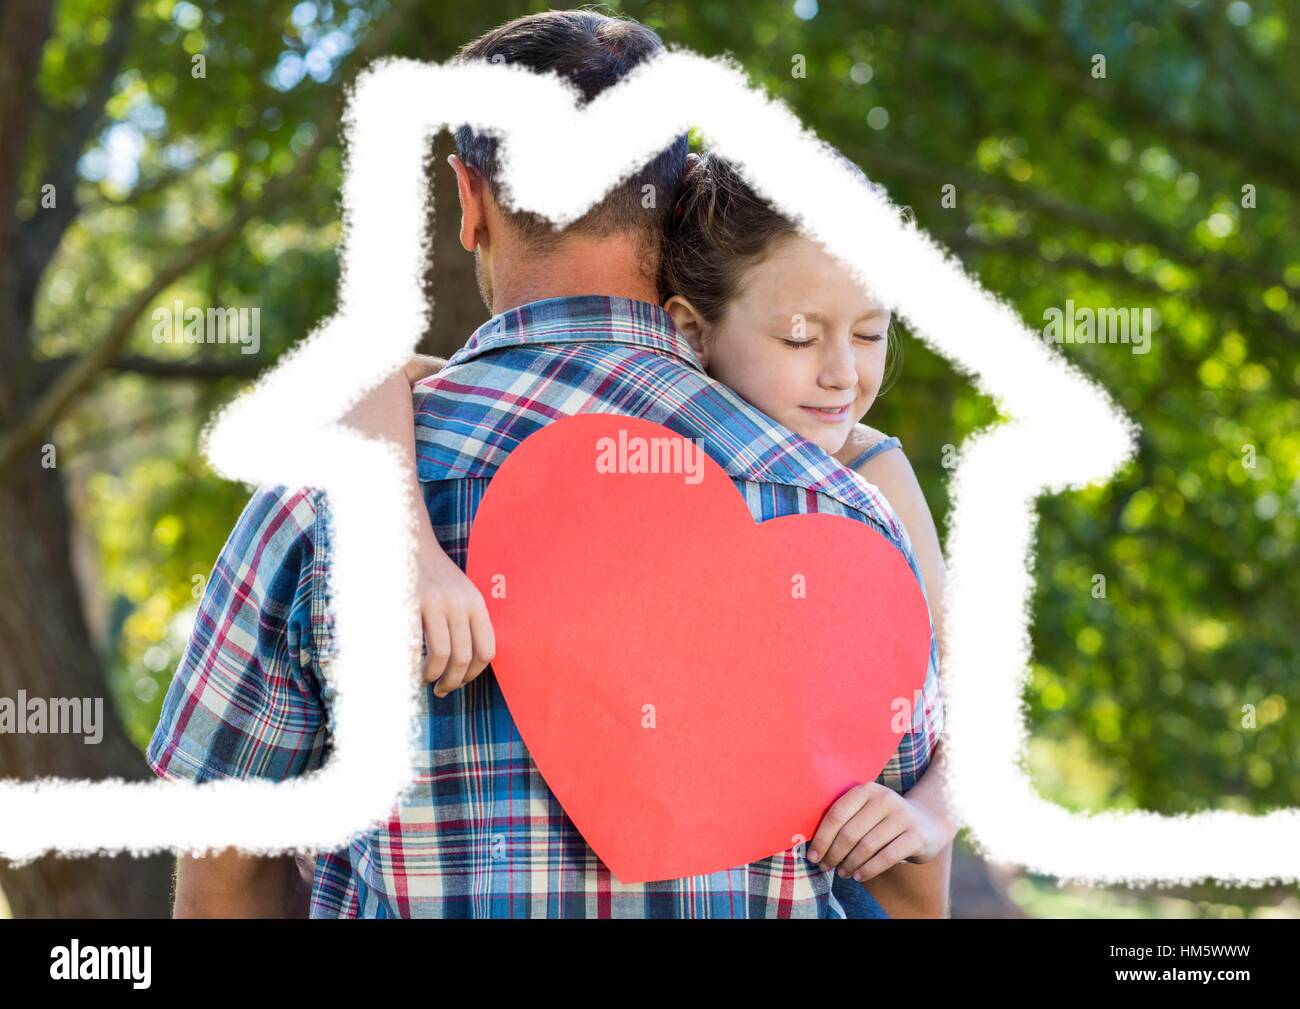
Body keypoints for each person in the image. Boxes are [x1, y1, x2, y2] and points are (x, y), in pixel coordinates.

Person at [148, 9, 949, 918]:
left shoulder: (332, 501)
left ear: (469, 198)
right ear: (679, 198)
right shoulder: (835, 509)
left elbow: (225, 884)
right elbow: (916, 882)